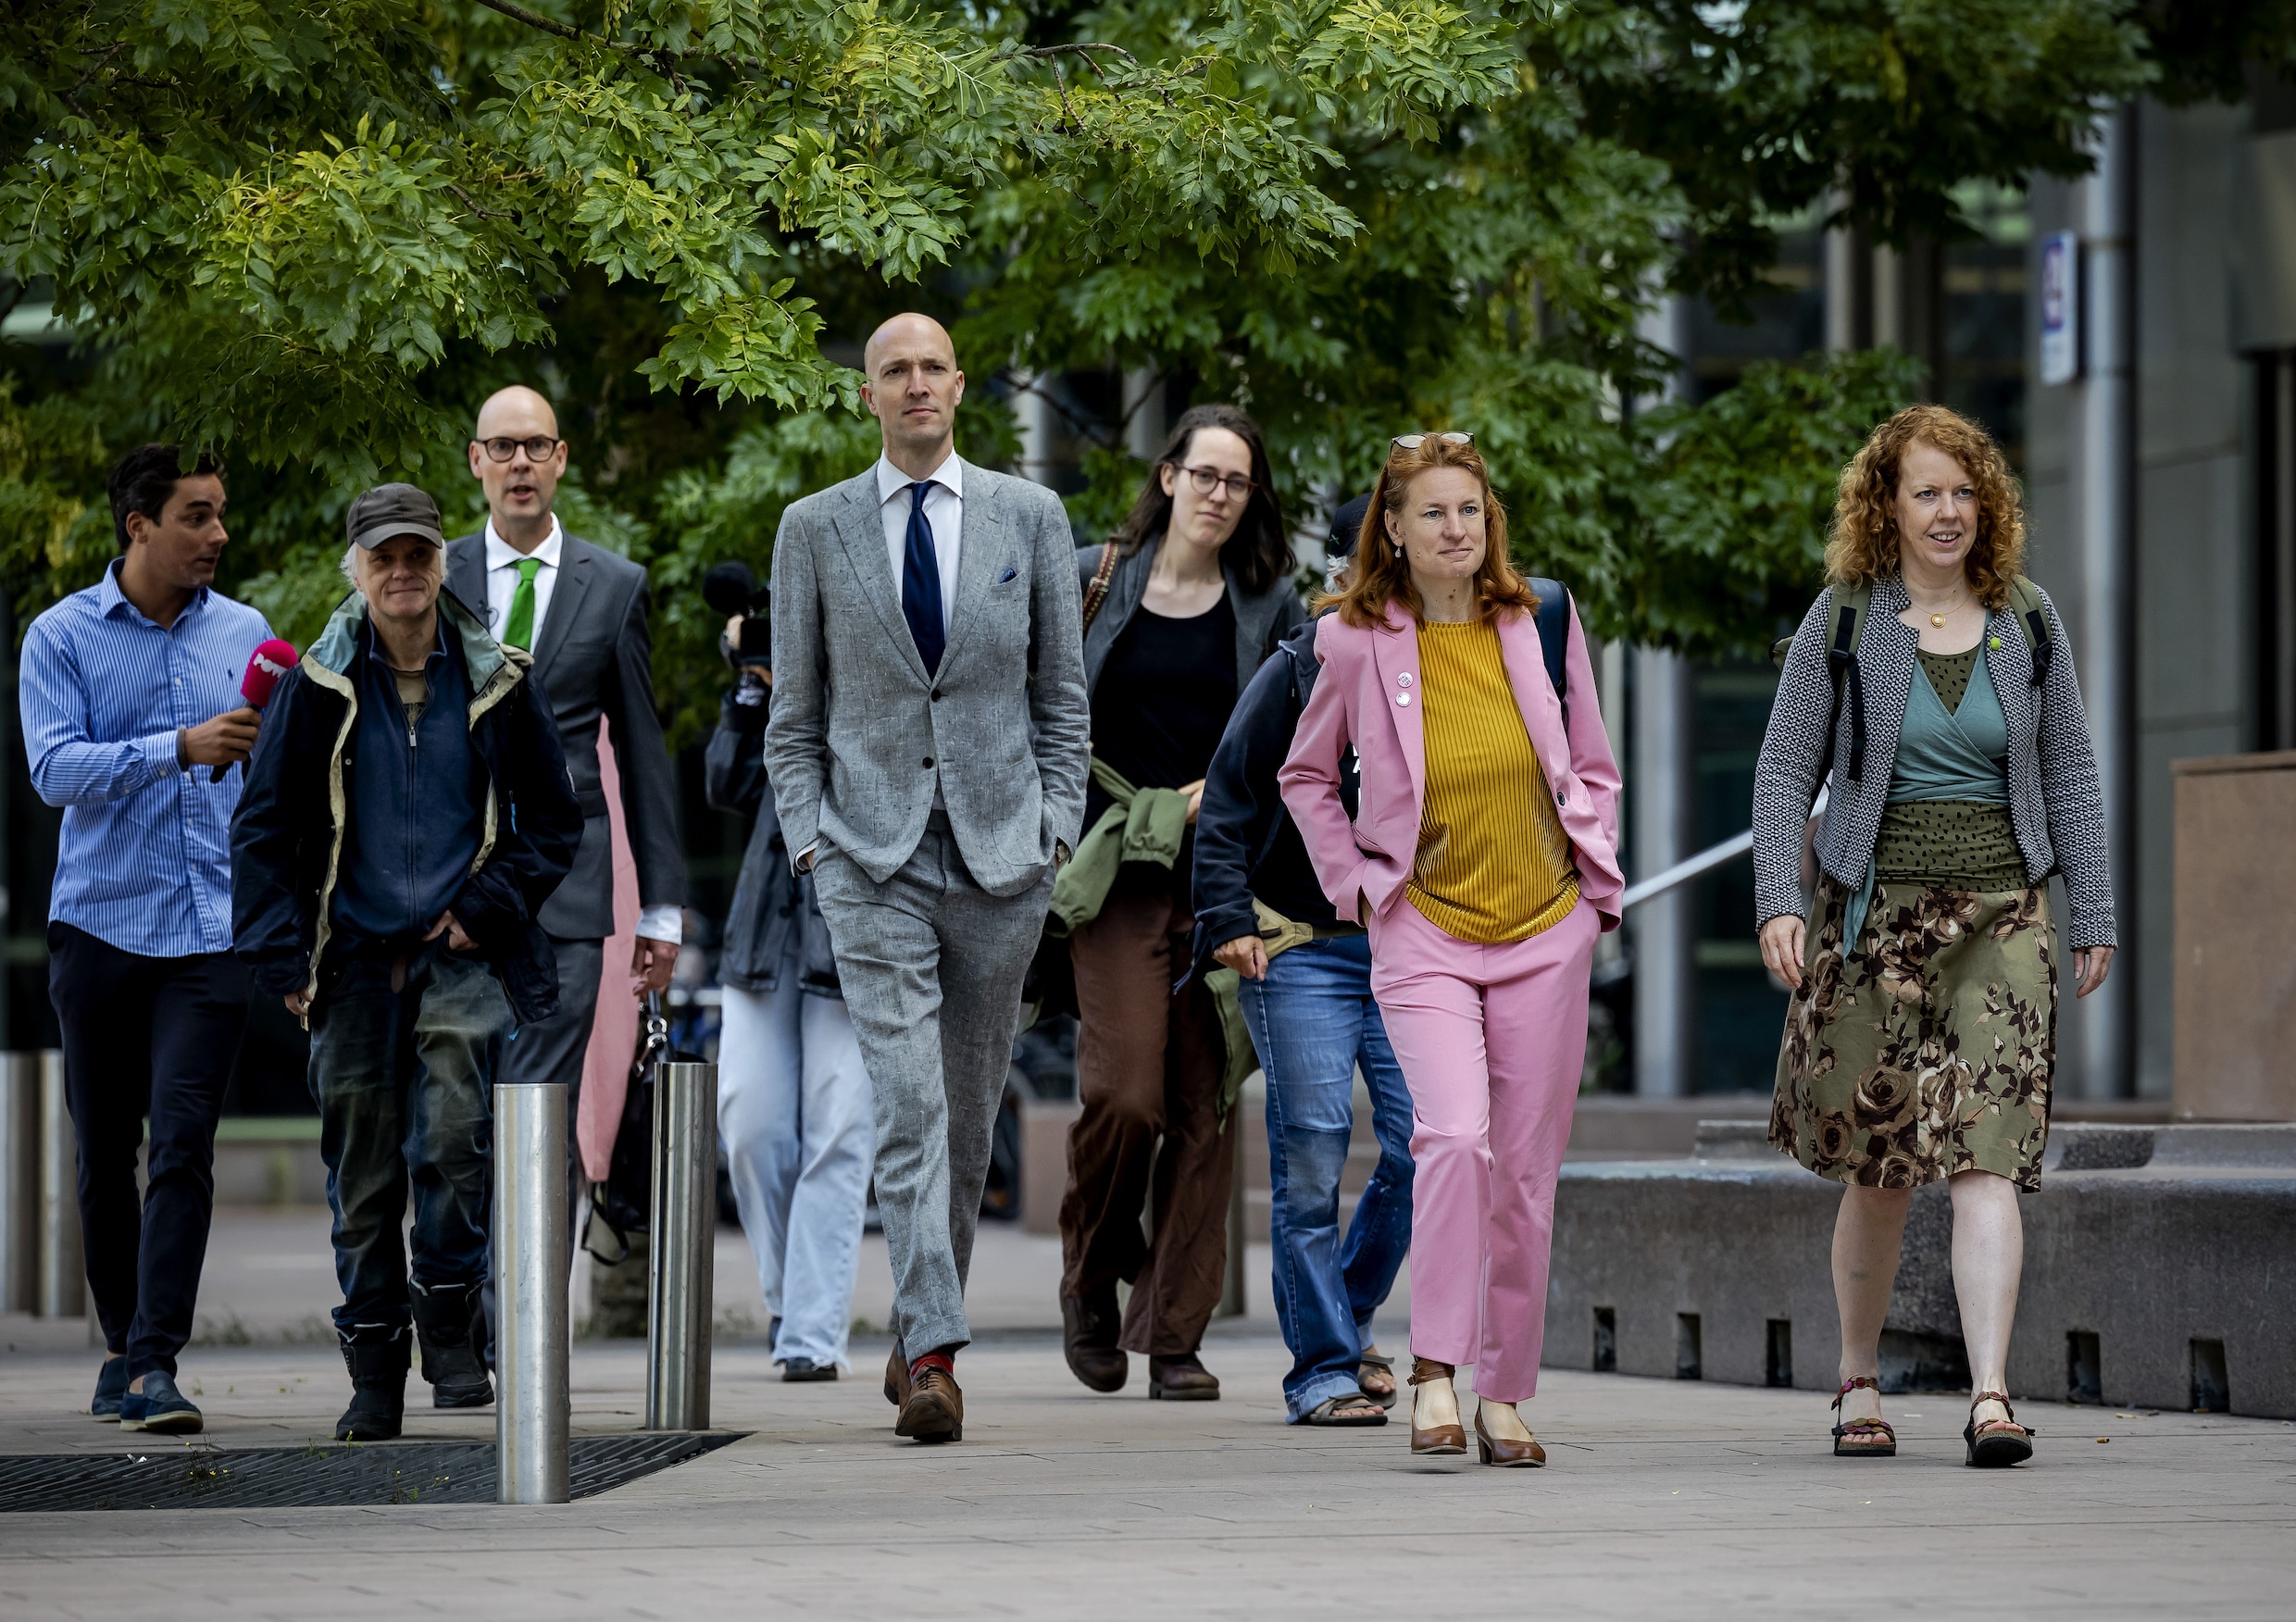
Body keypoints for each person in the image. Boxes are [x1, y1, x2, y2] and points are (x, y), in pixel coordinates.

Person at [1753, 404, 2115, 1468]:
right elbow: (1782, 772)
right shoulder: (1844, 620)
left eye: (1962, 492)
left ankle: (1990, 1395)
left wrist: (2088, 909)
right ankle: (1856, 1381)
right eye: (1925, 493)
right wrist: (1780, 895)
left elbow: (2071, 775)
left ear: (1984, 504)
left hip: (2001, 916)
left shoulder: (2025, 619)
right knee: (1880, 1169)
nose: (1947, 511)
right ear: (1887, 506)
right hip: (1873, 918)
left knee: (1985, 1157)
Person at [764, 312, 1090, 1443]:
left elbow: (1060, 699)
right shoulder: (812, 529)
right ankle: (941, 1359)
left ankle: (915, 1329)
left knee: (962, 1112)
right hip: (867, 852)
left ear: (959, 385)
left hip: (1004, 855)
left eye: (929, 369)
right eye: (890, 371)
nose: (913, 386)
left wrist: (1054, 829)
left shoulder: (1029, 516)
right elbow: (792, 717)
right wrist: (813, 838)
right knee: (905, 1104)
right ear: (866, 395)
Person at [1279, 432, 1622, 1467]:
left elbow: (1592, 764)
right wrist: (1353, 886)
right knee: (1453, 1140)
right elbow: (1304, 777)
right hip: (1422, 927)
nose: (1453, 530)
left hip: (1542, 929)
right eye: (1430, 513)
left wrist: (1592, 888)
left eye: (1468, 512)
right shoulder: (1351, 640)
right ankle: (1432, 1371)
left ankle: (1503, 1391)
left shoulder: (1539, 616)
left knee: (1524, 1173)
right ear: (1391, 527)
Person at [233, 483, 581, 1442]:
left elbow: (552, 824)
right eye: (383, 558)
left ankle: (447, 1308)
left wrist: (485, 909)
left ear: (440, 564)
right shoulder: (317, 684)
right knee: (363, 1174)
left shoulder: (499, 678)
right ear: (357, 569)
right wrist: (284, 963)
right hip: (347, 960)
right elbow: (261, 830)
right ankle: (375, 1368)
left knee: (453, 1139)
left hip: (459, 950)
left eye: (416, 556)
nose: (401, 574)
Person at [20, 444, 275, 1433]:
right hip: (99, 927)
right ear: (139, 526)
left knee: (182, 1145)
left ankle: (157, 1360)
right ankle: (123, 1343)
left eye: (219, 515)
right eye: (198, 516)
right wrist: (175, 748)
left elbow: (274, 782)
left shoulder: (247, 631)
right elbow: (52, 770)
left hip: (212, 932)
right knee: (104, 1154)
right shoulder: (62, 636)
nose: (218, 535)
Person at [1054, 404, 1304, 1402]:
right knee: (1125, 1094)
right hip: (1113, 870)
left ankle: (1170, 1336)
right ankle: (1089, 1271)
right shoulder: (1089, 577)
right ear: (1166, 478)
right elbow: (1041, 709)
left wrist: (1222, 796)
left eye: (1236, 482)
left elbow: (1297, 740)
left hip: (1222, 874)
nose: (1217, 495)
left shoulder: (1271, 605)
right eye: (1203, 475)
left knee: (1203, 1110)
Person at [1192, 493, 1413, 1426]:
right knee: (1311, 1157)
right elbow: (1229, 798)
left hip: (1412, 944)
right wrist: (1224, 915)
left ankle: (1345, 1311)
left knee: (1423, 1147)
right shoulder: (1301, 663)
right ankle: (1320, 1367)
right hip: (1299, 951)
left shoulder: (1460, 670)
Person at [445, 388, 684, 1129]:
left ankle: (532, 1252)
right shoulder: (431, 577)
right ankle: (471, 1253)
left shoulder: (615, 586)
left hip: (571, 895)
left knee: (539, 1112)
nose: (522, 463)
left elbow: (643, 753)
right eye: (505, 447)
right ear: (476, 461)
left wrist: (662, 909)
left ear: (561, 460)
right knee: (457, 1114)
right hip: (455, 887)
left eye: (537, 446)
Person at [706, 611, 873, 1382]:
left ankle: (809, 1334)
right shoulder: (770, 687)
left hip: (858, 935)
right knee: (750, 1125)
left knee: (839, 1129)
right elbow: (726, 783)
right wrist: (753, 686)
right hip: (766, 930)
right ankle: (790, 1296)